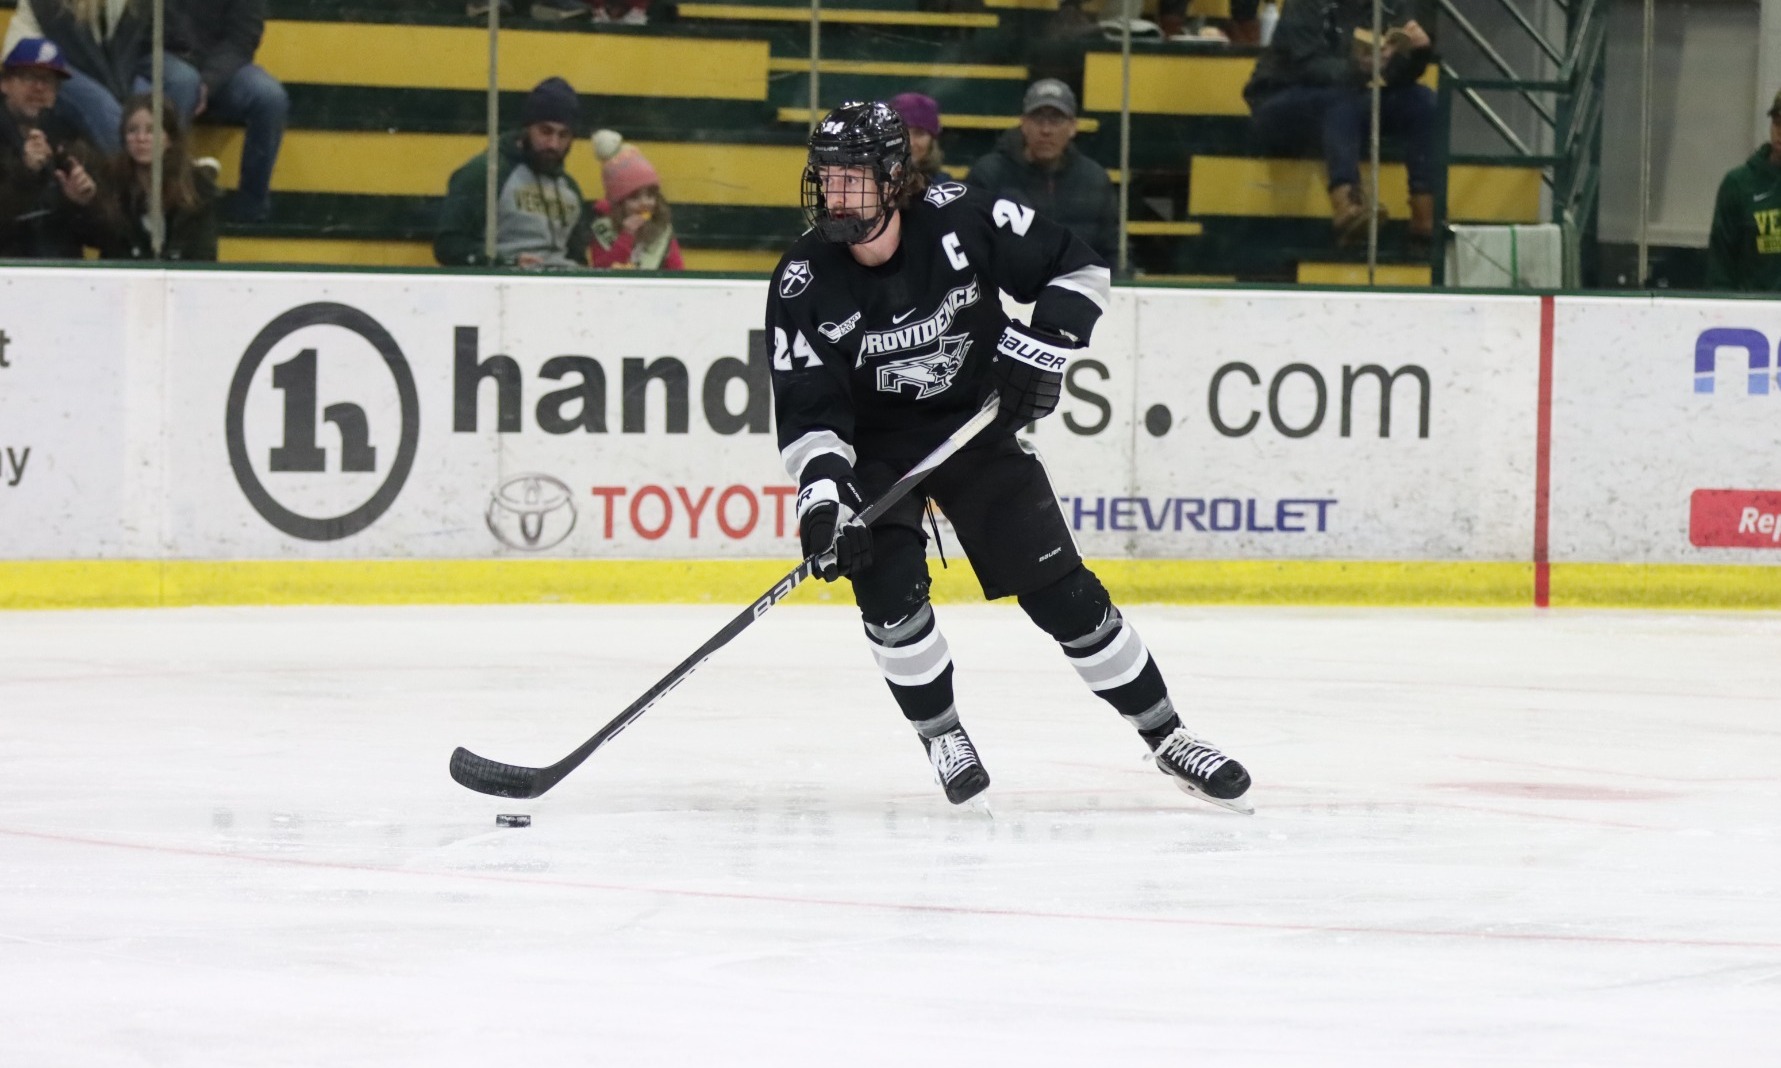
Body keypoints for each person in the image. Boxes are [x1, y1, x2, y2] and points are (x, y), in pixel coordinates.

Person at [766, 100, 1252, 813]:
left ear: (895, 177)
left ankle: (1167, 735)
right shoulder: (802, 281)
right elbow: (810, 411)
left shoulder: (966, 216)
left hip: (974, 425)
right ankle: (941, 734)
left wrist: (1045, 347)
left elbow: (1078, 270)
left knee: (1066, 596)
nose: (836, 196)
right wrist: (821, 499)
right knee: (889, 595)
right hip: (877, 454)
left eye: (853, 179)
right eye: (827, 179)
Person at [1243, 0, 1435, 245]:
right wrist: (1358, 68)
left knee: (1423, 100)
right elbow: (1306, 65)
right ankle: (1346, 201)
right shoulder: (1304, 5)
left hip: (1353, 98)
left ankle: (1425, 211)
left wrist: (1419, 53)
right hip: (1282, 96)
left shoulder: (1391, 5)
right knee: (1341, 99)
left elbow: (1397, 75)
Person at [2, 0, 201, 155]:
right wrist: (124, 94)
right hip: (46, 64)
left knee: (179, 84)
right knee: (107, 108)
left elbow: (163, 35)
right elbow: (87, 58)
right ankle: (133, 184)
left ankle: (172, 172)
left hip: (112, 64)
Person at [434, 76, 592, 268]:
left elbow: (578, 258)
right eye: (545, 131)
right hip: (501, 288)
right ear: (527, 128)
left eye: (564, 135)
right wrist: (505, 262)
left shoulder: (571, 189)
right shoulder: (486, 173)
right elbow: (448, 246)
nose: (554, 144)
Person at [965, 78, 1118, 264]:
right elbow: (968, 247)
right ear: (1023, 124)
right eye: (1038, 119)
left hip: (1077, 289)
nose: (1046, 130)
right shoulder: (988, 175)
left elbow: (1112, 253)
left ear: (1072, 127)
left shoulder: (1095, 180)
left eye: (1056, 120)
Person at [168, 0, 286, 223]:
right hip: (167, 63)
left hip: (222, 66)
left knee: (270, 98)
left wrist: (209, 81)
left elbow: (243, 38)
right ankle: (170, 198)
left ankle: (252, 207)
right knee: (182, 83)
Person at [0, 38, 105, 257]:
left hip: (62, 274)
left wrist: (82, 204)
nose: (39, 87)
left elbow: (101, 237)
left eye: (48, 80)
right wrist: (26, 172)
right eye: (29, 77)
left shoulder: (73, 138)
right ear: (5, 83)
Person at [92, 93, 217, 260]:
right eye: (132, 130)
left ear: (170, 138)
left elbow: (203, 255)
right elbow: (101, 240)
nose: (141, 138)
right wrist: (85, 203)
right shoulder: (111, 181)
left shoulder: (196, 187)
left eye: (151, 130)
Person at [1704, 90, 1781, 291]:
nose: (1780, 131)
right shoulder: (1739, 185)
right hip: (1753, 314)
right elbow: (1720, 267)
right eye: (1777, 122)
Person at [588, 129, 682, 270]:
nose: (645, 202)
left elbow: (677, 272)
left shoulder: (663, 232)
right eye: (634, 197)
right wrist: (626, 235)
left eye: (650, 195)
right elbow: (602, 270)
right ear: (619, 203)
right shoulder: (603, 229)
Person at [889, 91, 943, 194]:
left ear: (932, 140)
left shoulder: (943, 187)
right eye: (901, 132)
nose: (910, 143)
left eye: (919, 133)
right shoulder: (867, 188)